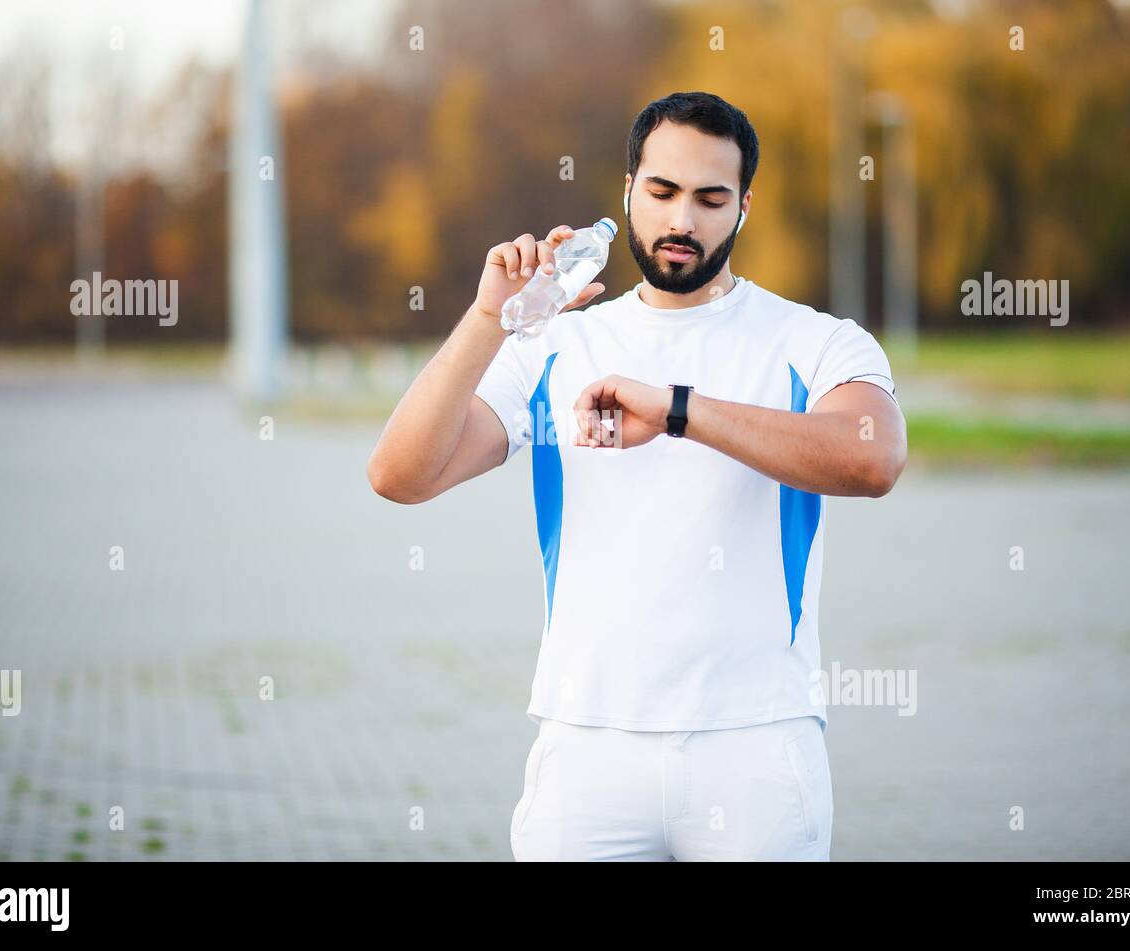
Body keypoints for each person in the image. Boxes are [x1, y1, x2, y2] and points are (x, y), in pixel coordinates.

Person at [367, 91, 907, 861]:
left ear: (744, 206)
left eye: (710, 198)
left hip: (754, 746)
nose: (683, 220)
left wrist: (679, 409)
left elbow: (873, 456)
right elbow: (399, 473)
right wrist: (490, 318)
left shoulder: (813, 340)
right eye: (661, 192)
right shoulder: (552, 342)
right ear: (627, 191)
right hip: (585, 748)